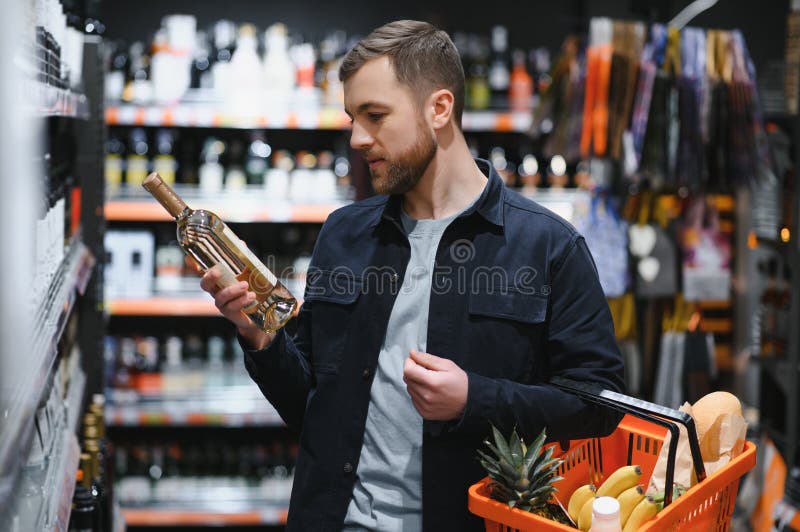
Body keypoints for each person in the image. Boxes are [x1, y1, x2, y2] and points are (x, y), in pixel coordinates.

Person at [198, 19, 625, 531]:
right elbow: (311, 408)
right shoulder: (344, 234)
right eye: (353, 118)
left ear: (439, 109)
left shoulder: (549, 247)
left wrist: (475, 398)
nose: (357, 138)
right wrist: (259, 336)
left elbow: (600, 405)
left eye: (375, 116)